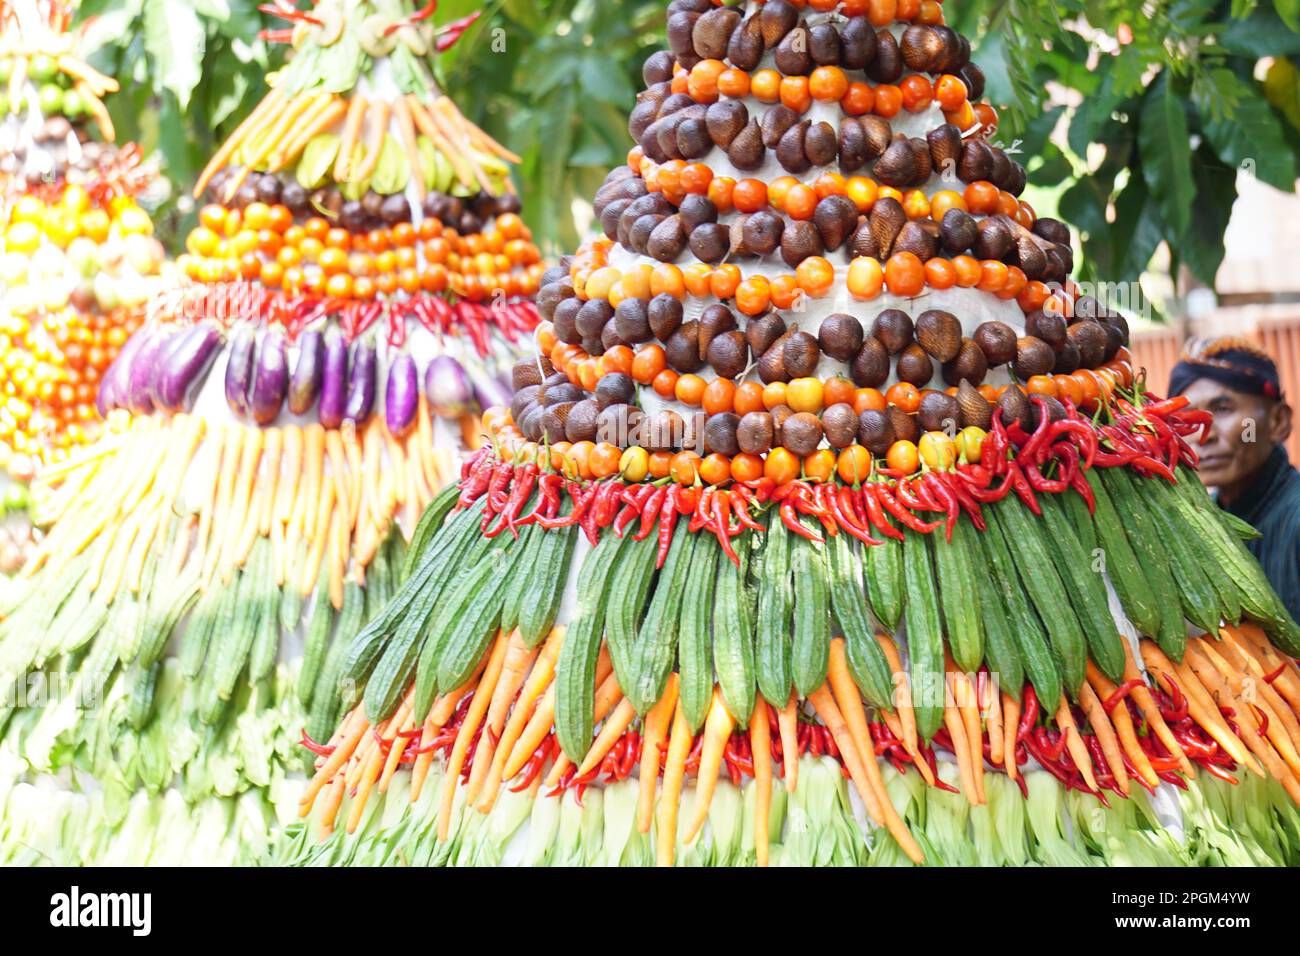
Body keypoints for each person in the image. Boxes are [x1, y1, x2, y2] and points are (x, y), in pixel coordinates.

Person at [1169, 337, 1300, 624]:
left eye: (1223, 410)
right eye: (1185, 419)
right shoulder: (1203, 522)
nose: (1204, 435)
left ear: (1278, 421)